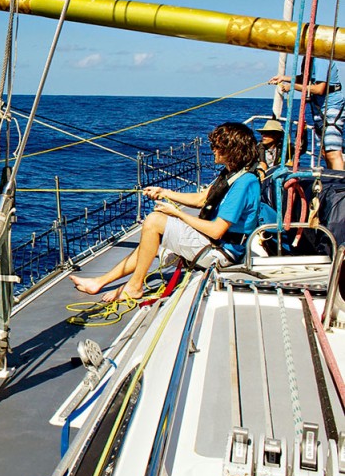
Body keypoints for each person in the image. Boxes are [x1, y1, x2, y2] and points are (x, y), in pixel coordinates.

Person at [69, 122, 261, 302]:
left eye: (218, 147)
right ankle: (99, 282)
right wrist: (164, 192)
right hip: (215, 243)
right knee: (149, 239)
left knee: (153, 221)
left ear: (232, 150)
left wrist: (177, 213)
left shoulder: (244, 183)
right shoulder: (232, 174)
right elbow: (202, 199)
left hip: (223, 252)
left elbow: (217, 230)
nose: (213, 150)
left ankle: (134, 287)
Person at [269, 57, 343, 170]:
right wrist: (283, 78)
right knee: (325, 152)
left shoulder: (320, 59)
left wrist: (292, 86)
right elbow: (305, 79)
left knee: (333, 152)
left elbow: (319, 89)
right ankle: (333, 181)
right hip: (319, 108)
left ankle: (339, 186)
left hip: (332, 107)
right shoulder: (310, 58)